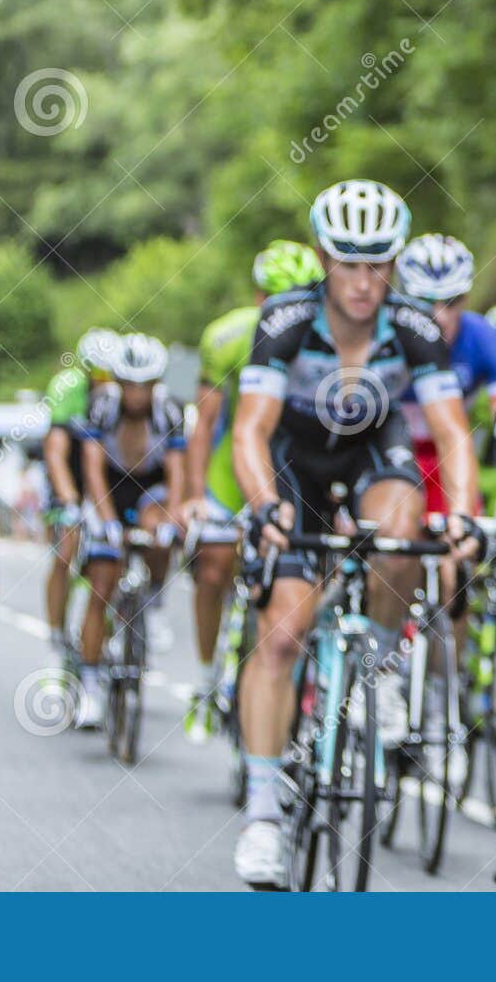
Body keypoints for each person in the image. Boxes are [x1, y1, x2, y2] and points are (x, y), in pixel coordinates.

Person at [229, 180, 480, 888]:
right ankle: (262, 815)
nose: (365, 282)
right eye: (349, 263)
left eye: (379, 264)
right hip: (294, 465)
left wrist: (460, 510)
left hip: (374, 451)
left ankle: (381, 660)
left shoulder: (415, 327)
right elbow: (249, 428)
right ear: (322, 260)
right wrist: (262, 504)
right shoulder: (283, 320)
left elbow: (454, 433)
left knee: (404, 527)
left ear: (395, 264)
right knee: (280, 637)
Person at [181, 240, 323, 741]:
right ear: (259, 296)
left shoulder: (330, 335)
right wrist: (195, 493)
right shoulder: (227, 336)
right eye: (273, 297)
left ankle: (308, 685)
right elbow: (206, 424)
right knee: (214, 562)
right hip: (232, 466)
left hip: (294, 466)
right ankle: (204, 678)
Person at [73, 334, 186, 729]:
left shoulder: (169, 409)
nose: (137, 394)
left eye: (145, 385)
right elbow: (91, 468)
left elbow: (176, 474)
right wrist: (105, 521)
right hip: (111, 485)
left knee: (158, 530)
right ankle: (89, 687)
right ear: (118, 383)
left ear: (157, 384)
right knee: (101, 585)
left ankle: (153, 602)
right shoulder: (102, 406)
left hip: (150, 486)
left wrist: (173, 518)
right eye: (129, 385)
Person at [395, 233, 496, 516]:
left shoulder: (486, 338)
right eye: (424, 301)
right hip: (393, 455)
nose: (439, 316)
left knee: (461, 542)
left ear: (466, 297)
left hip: (452, 455)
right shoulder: (382, 336)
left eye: (451, 301)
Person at [40, 328, 119, 664]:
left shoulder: (120, 393)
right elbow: (56, 453)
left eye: (110, 373)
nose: (105, 381)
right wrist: (71, 502)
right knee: (66, 549)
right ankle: (56, 630)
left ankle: (110, 624)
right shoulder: (67, 387)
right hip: (69, 475)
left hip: (102, 472)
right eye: (99, 374)